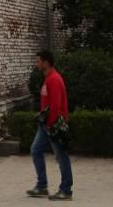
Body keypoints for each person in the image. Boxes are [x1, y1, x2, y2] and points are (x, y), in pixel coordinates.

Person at [27, 49, 72, 201]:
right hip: (46, 124)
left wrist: (52, 127)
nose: (37, 63)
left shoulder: (54, 79)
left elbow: (56, 106)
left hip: (53, 125)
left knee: (61, 156)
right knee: (35, 150)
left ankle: (66, 190)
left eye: (39, 61)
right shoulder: (48, 78)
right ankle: (42, 186)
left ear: (46, 62)